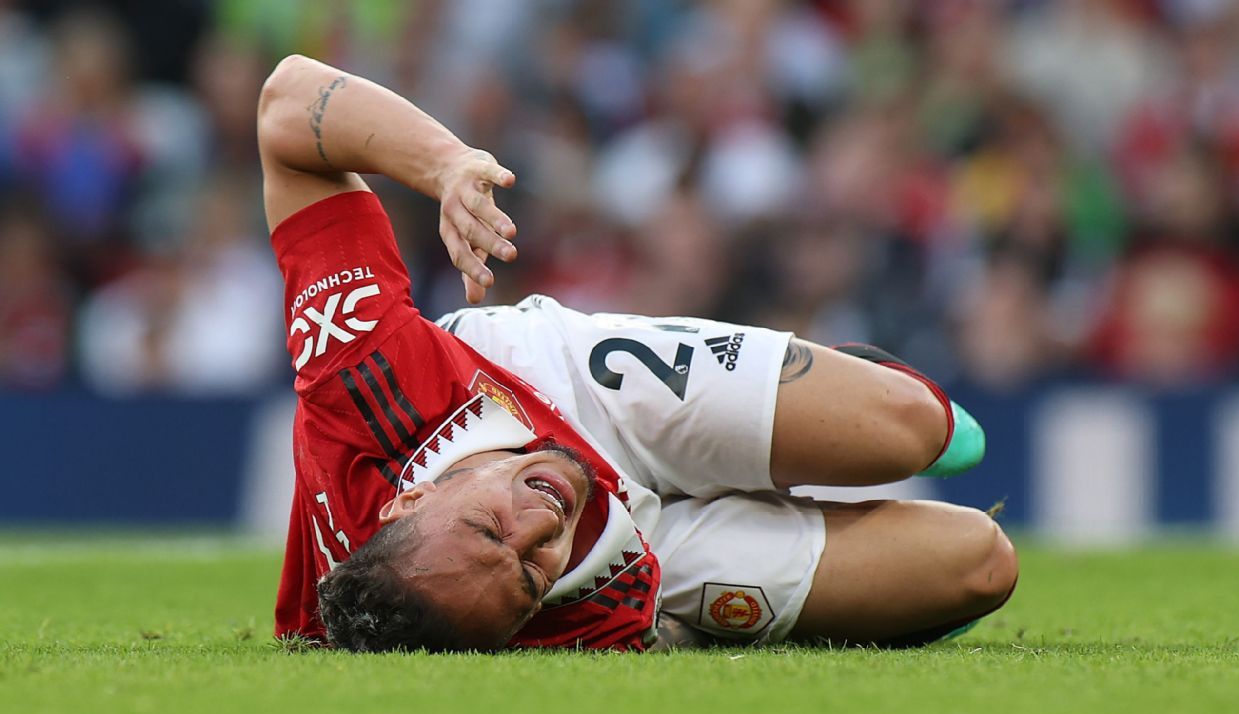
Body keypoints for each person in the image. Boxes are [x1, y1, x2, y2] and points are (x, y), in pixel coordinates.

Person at [258, 55, 1018, 652]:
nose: (538, 528)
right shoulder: (528, 619)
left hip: (552, 383)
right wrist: (678, 629)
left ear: (408, 500)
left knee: (920, 431)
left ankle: (828, 391)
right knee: (980, 564)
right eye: (527, 574)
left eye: (490, 529)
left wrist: (445, 165)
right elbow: (559, 603)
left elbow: (287, 103)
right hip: (646, 552)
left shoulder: (361, 377)